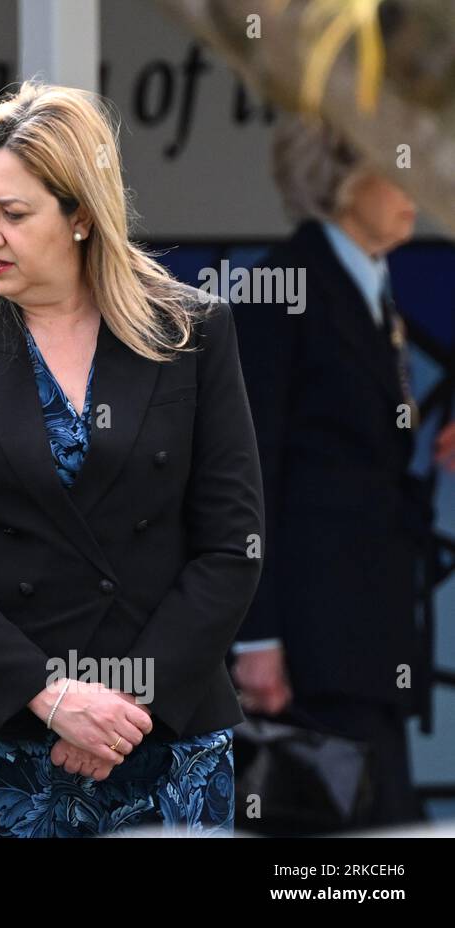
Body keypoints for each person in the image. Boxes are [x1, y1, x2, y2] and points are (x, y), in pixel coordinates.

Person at [0, 82, 263, 837]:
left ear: (82, 214)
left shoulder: (193, 331)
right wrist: (50, 697)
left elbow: (232, 547)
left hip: (161, 744)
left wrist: (127, 708)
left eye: (14, 214)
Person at [231, 115, 430, 830]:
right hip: (311, 652)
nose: (416, 187)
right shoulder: (282, 287)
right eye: (393, 167)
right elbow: (245, 469)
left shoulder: (373, 288)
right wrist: (256, 637)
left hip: (371, 638)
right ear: (342, 181)